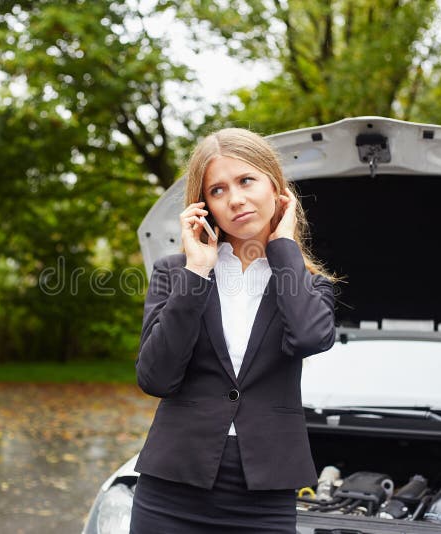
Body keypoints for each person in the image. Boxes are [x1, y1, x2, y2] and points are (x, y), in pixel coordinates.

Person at [129, 127, 338, 533]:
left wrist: (282, 246)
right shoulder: (175, 273)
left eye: (246, 180)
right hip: (171, 489)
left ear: (276, 188)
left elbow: (310, 337)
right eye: (218, 190)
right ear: (203, 205)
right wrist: (197, 270)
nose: (236, 199)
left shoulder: (309, 283)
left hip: (265, 496)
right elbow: (155, 378)